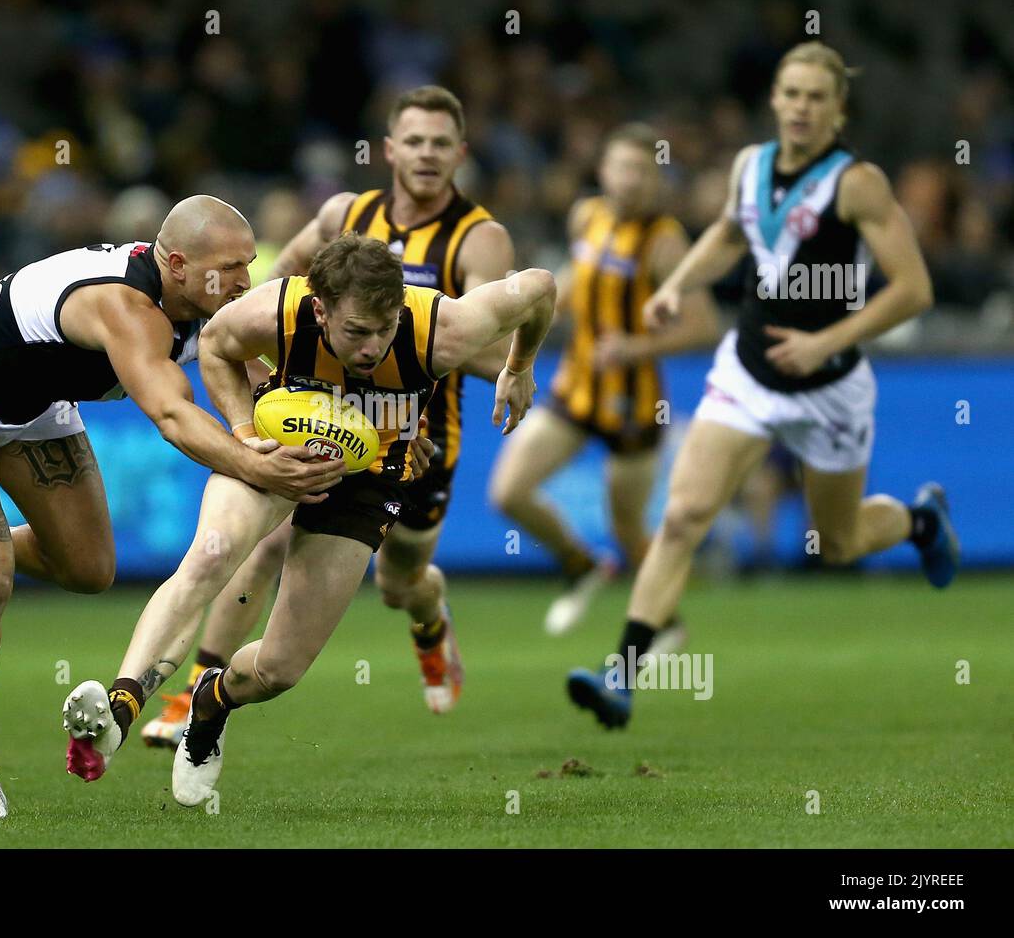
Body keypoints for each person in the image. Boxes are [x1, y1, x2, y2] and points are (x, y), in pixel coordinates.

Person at [0, 195, 343, 817]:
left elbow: (258, 377)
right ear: (176, 265)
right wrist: (260, 465)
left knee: (88, 569)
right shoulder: (127, 308)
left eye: (248, 264)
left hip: (35, 402)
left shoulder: (202, 305)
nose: (245, 281)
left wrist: (356, 430)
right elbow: (173, 416)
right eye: (230, 268)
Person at [62, 232, 554, 805]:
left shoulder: (445, 329)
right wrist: (248, 442)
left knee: (279, 671)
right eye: (355, 333)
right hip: (279, 447)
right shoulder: (278, 308)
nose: (372, 347)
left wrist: (518, 366)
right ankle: (123, 704)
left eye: (385, 328)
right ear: (319, 309)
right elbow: (218, 345)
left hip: (366, 478)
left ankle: (212, 701)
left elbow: (540, 287)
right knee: (213, 555)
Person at [566, 42, 959, 729]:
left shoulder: (857, 183)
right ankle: (621, 676)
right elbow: (726, 234)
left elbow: (915, 288)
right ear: (774, 99)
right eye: (792, 93)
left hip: (830, 386)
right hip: (747, 373)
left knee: (835, 543)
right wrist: (676, 287)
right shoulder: (749, 167)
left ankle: (919, 520)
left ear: (838, 110)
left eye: (817, 97)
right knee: (685, 515)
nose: (802, 107)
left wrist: (826, 342)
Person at [139, 85, 515, 746]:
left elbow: (482, 348)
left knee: (400, 584)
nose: (426, 154)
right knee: (263, 543)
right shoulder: (344, 213)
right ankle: (196, 692)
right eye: (414, 141)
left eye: (440, 143)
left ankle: (429, 619)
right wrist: (262, 373)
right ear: (391, 148)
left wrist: (408, 392)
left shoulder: (479, 240)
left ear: (459, 152)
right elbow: (276, 292)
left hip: (418, 441)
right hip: (315, 419)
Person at [489, 123, 718, 637]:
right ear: (604, 171)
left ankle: (664, 623)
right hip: (576, 388)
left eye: (642, 170)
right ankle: (580, 564)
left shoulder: (664, 243)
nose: (631, 180)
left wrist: (638, 347)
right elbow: (577, 281)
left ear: (656, 178)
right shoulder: (586, 216)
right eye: (622, 168)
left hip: (634, 406)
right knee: (508, 492)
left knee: (628, 528)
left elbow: (704, 324)